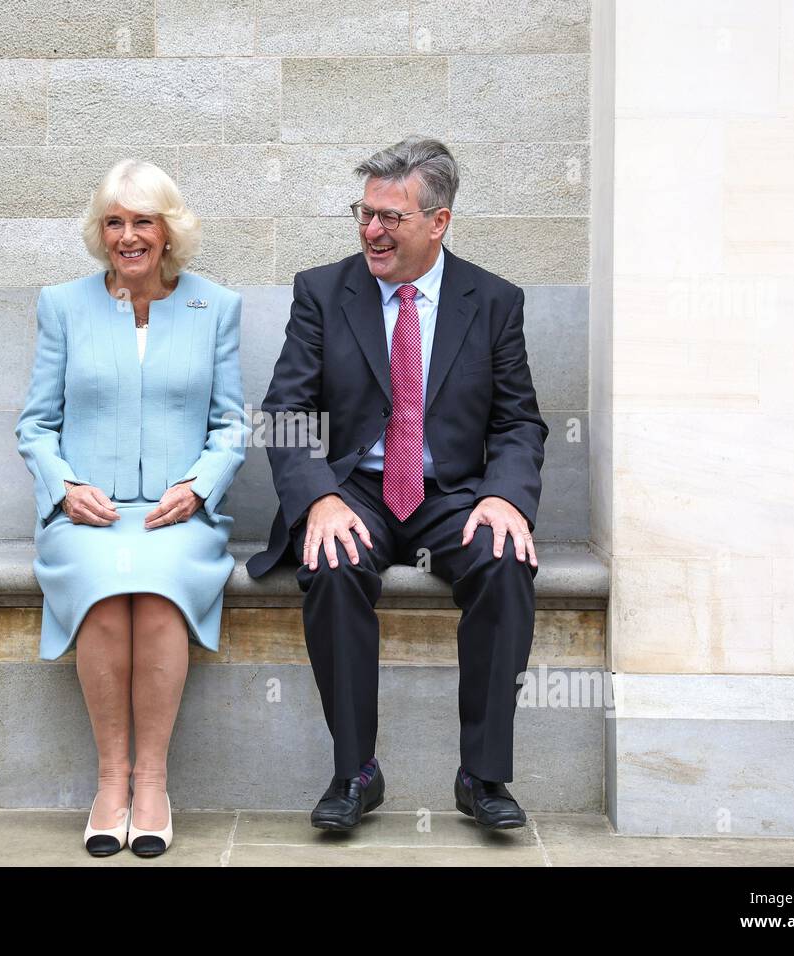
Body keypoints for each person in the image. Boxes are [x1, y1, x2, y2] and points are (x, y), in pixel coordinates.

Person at [247, 137, 548, 832]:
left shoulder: (494, 300)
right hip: (358, 488)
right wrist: (318, 497)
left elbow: (518, 421)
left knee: (506, 561)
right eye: (365, 213)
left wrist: (505, 496)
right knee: (332, 562)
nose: (371, 231)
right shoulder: (323, 292)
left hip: (452, 496)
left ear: (438, 222)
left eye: (391, 217)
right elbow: (285, 414)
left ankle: (484, 774)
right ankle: (355, 772)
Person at [15, 159, 245, 857]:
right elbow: (35, 426)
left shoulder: (215, 307)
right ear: (101, 232)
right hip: (89, 514)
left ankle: (153, 786)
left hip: (178, 515)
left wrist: (200, 486)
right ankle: (111, 781)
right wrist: (63, 488)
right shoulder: (64, 305)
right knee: (106, 591)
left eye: (142, 221)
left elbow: (233, 425)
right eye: (114, 222)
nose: (128, 236)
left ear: (168, 231)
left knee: (159, 590)